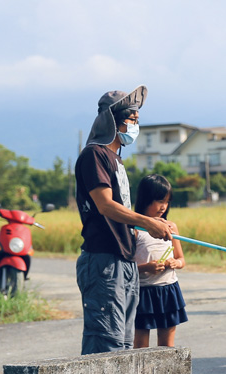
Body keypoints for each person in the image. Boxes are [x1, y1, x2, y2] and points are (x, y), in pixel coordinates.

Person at [74, 86, 176, 354]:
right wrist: (148, 223)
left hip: (125, 258)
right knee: (105, 341)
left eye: (137, 120)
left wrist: (150, 225)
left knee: (123, 344)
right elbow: (105, 205)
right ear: (112, 121)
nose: (135, 125)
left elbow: (122, 211)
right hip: (104, 259)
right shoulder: (95, 155)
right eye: (132, 119)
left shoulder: (116, 159)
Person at [132, 174, 187, 348]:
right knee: (141, 347)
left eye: (167, 201)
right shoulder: (134, 229)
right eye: (160, 201)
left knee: (167, 347)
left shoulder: (171, 227)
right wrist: (146, 267)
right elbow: (126, 268)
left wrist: (175, 263)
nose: (164, 206)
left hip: (169, 290)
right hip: (144, 292)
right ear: (145, 199)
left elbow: (181, 259)